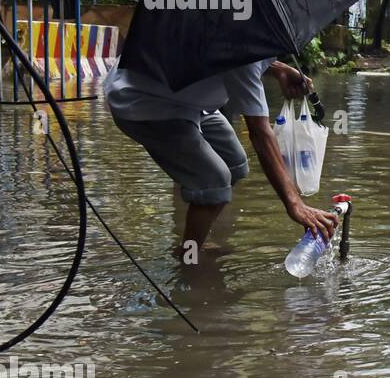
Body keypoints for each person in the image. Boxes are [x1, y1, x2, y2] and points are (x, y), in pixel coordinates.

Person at [104, 59, 338, 253]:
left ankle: (194, 238)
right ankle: (189, 256)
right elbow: (260, 133)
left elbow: (242, 55)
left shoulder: (255, 28)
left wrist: (279, 69)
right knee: (214, 181)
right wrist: (295, 204)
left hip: (192, 100)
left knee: (235, 165)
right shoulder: (245, 36)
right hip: (146, 102)